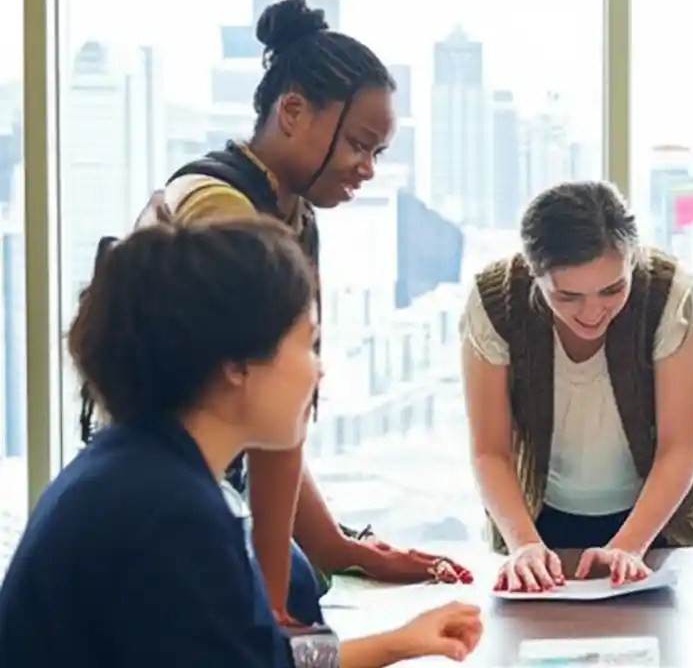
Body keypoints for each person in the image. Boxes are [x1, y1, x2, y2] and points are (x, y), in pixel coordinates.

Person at [121, 0, 470, 624]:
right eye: (358, 144)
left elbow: (280, 420)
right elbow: (269, 411)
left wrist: (338, 547)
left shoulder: (291, 212)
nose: (367, 169)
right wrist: (274, 611)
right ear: (292, 111)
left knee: (308, 579)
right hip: (160, 491)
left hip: (197, 482)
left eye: (377, 153)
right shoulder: (220, 209)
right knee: (295, 593)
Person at [0, 219, 483, 666]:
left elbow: (254, 657)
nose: (319, 369)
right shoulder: (172, 513)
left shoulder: (138, 470)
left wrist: (400, 642)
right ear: (236, 364)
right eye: (308, 344)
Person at [462, 181, 693, 592]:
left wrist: (629, 547)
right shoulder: (496, 299)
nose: (592, 313)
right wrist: (524, 545)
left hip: (657, 518)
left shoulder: (669, 292)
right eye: (567, 296)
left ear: (631, 261)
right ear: (534, 274)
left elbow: (680, 447)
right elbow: (490, 451)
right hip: (537, 513)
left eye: (612, 289)